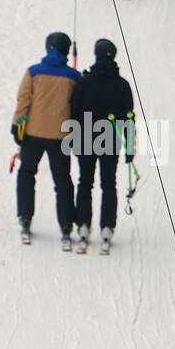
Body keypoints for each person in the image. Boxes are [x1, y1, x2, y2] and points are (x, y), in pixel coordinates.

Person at [11, 31, 81, 248]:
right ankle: (66, 224)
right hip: (60, 137)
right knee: (62, 180)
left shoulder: (33, 72)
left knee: (27, 173)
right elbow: (77, 108)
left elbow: (24, 101)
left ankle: (25, 217)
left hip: (32, 134)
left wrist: (17, 127)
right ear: (66, 50)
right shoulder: (74, 77)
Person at [69, 39, 134, 252]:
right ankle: (107, 227)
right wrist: (130, 148)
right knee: (108, 183)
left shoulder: (84, 82)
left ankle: (83, 225)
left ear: (96, 54)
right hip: (110, 139)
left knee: (85, 181)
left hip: (86, 138)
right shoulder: (123, 85)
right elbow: (129, 118)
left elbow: (74, 111)